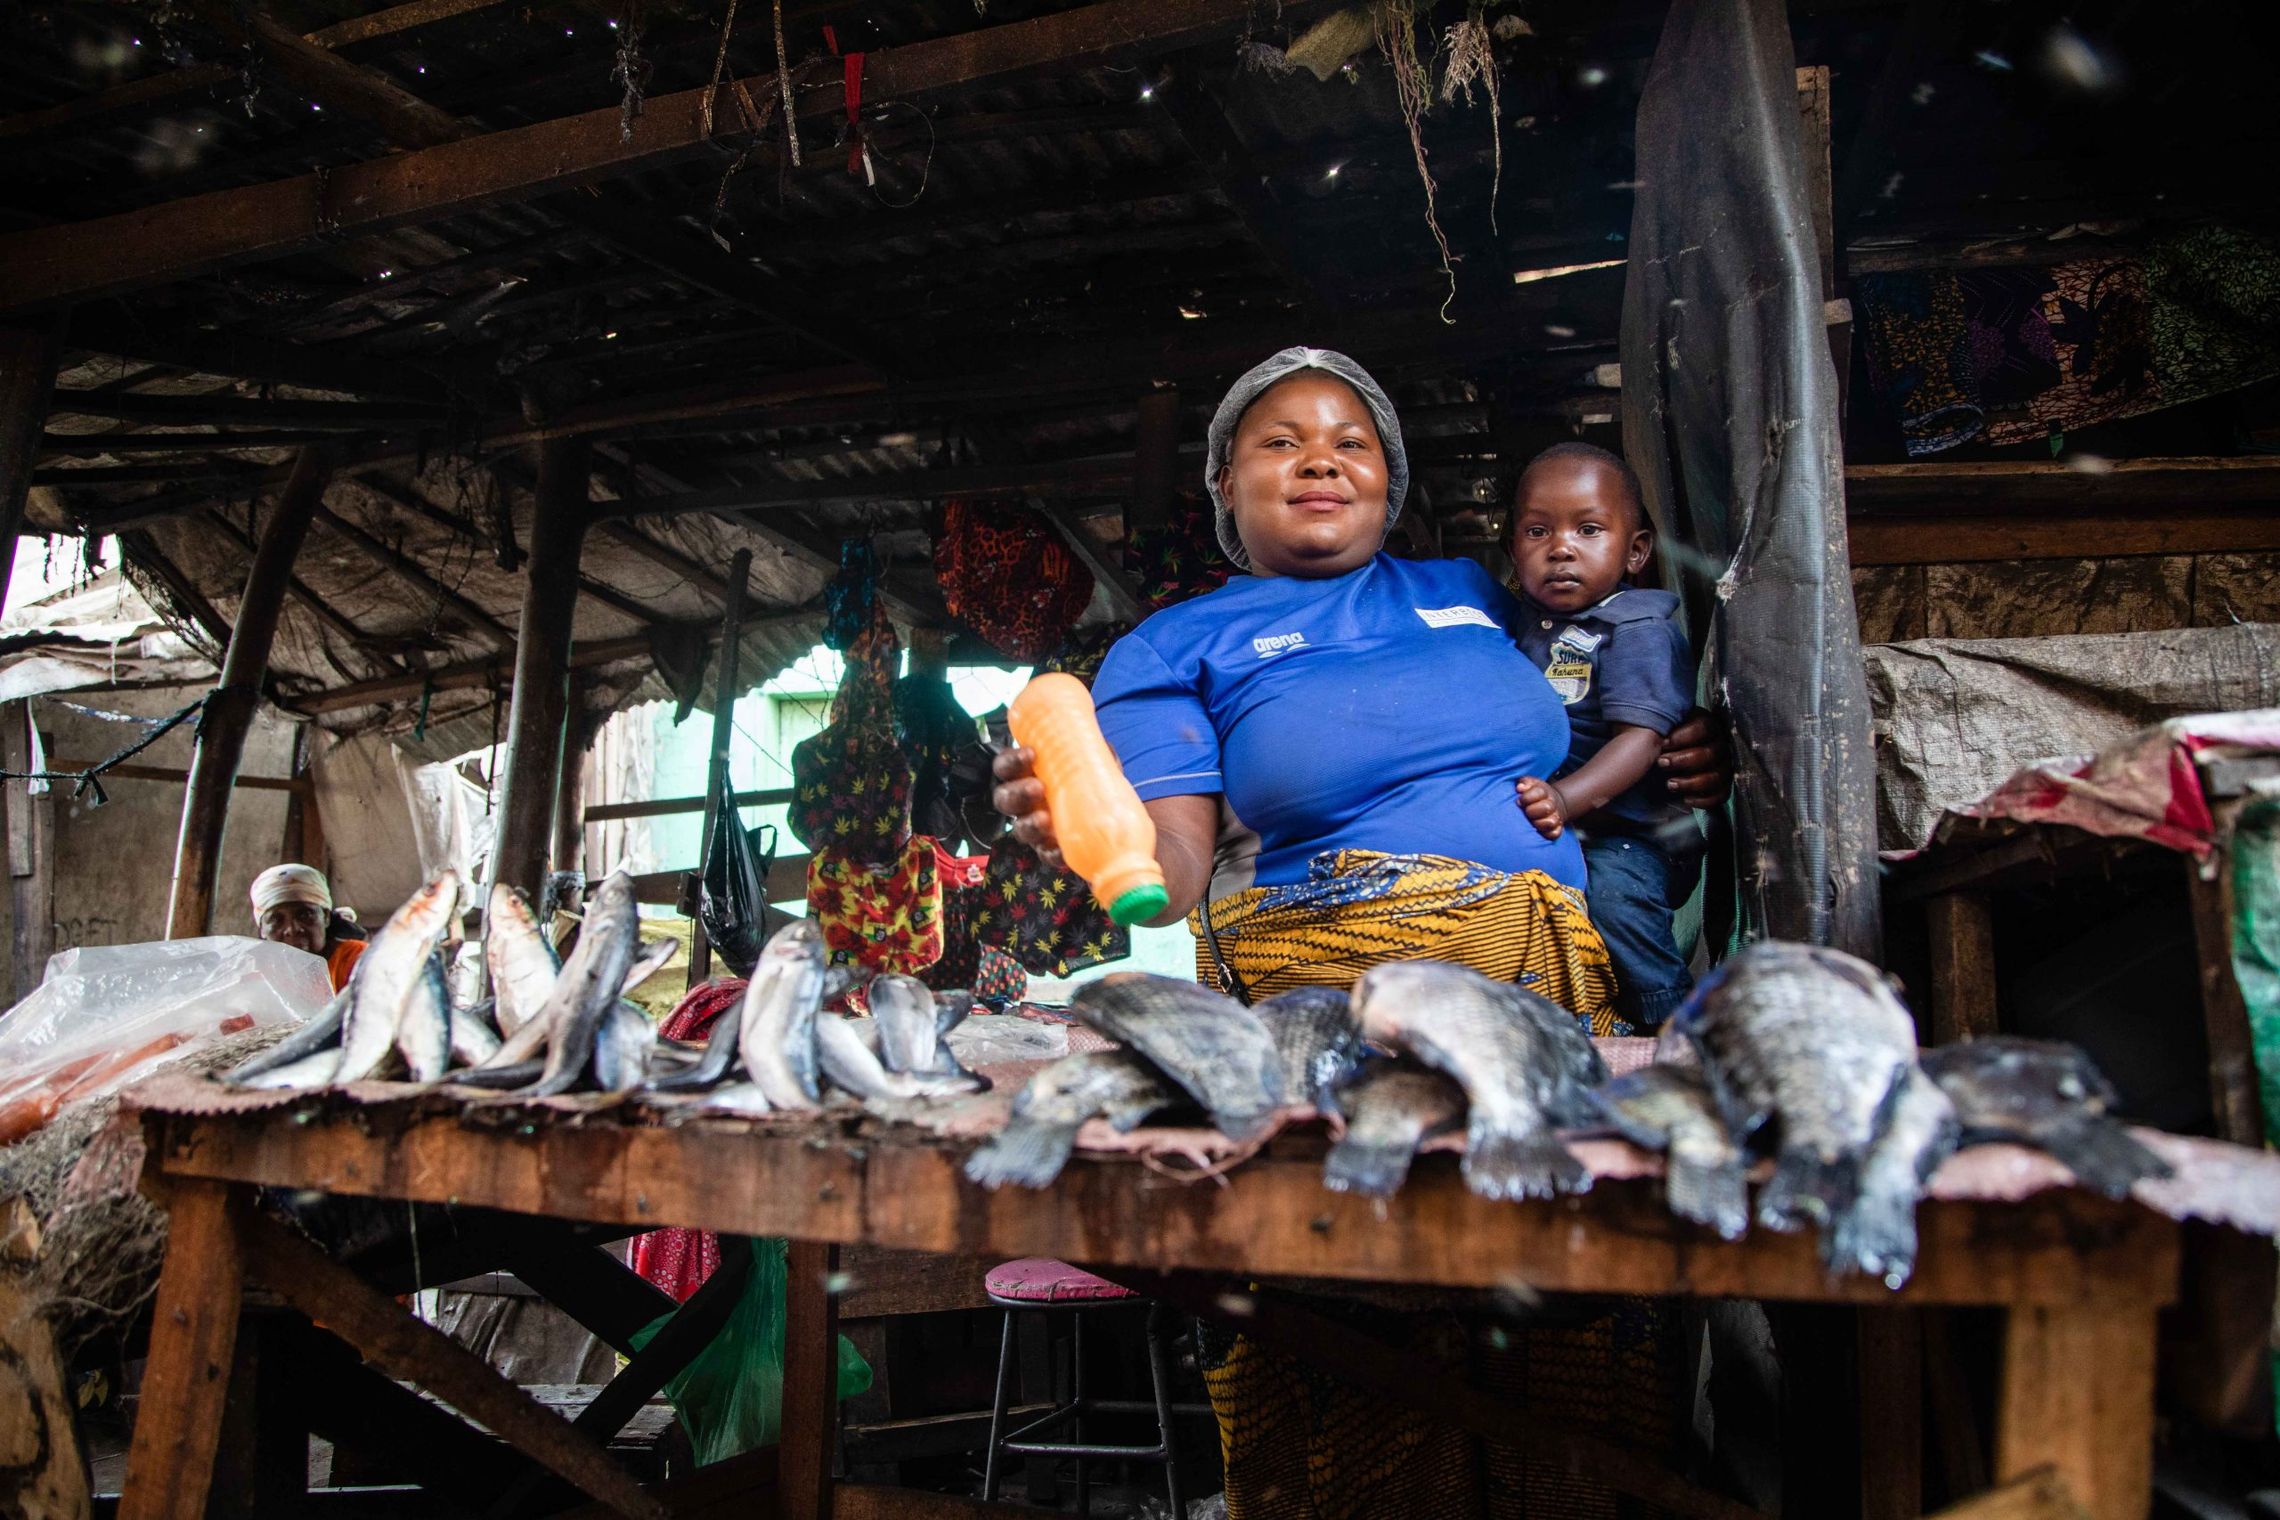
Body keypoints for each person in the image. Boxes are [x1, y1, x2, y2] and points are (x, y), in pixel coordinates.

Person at [993, 347, 1729, 1519]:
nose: (1321, 458)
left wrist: (1686, 750)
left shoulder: (1482, 593)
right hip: (1327, 1025)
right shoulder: (1174, 647)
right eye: (1281, 441)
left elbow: (1608, 712)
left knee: (1576, 1342)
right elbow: (1172, 870)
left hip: (1553, 1010)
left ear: (1389, 480)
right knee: (1343, 1342)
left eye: (1352, 441)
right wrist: (1088, 837)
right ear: (1225, 484)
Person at [1508, 441, 1705, 1028]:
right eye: (1537, 532)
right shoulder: (1516, 622)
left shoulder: (1635, 628)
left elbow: (1640, 741)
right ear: (1512, 549)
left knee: (1615, 900)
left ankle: (1668, 1020)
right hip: (1565, 824)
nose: (1561, 548)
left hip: (1634, 833)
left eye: (1589, 530)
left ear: (1636, 550)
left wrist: (1565, 800)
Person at [249, 863, 367, 991]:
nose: (292, 929)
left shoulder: (357, 960)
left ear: (326, 917)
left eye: (305, 915)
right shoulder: (255, 978)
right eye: (276, 920)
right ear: (262, 930)